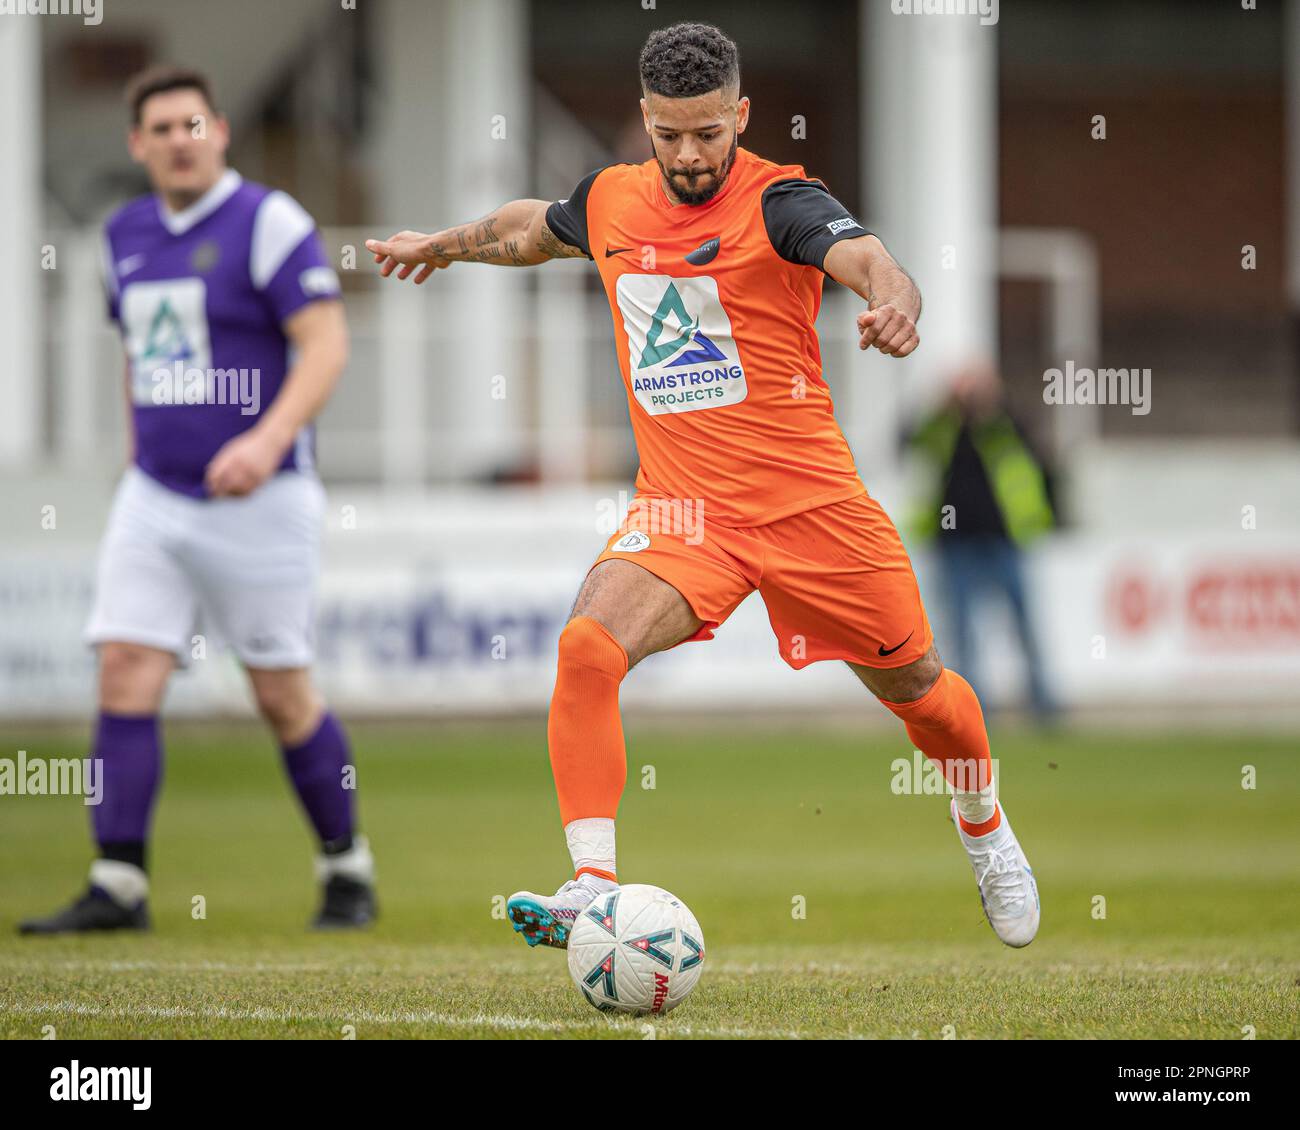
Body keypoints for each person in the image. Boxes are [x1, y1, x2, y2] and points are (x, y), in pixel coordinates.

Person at [367, 23, 1038, 948]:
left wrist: (895, 303)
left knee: (920, 689)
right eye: (670, 134)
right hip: (687, 516)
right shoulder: (610, 200)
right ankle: (591, 885)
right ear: (645, 118)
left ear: (741, 116)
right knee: (587, 646)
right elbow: (532, 228)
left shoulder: (783, 203)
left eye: (709, 134)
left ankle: (986, 829)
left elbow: (870, 259)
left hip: (815, 510)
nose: (688, 155)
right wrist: (445, 244)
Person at [20, 65, 376, 935]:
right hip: (156, 497)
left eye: (192, 124)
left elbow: (325, 346)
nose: (179, 140)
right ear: (138, 144)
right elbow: (139, 357)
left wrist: (265, 439)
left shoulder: (269, 221)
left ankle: (347, 868)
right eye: (160, 129)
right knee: (124, 670)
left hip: (264, 500)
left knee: (281, 694)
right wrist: (139, 454)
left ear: (218, 130)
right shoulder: (122, 235)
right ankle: (120, 884)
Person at [908, 360, 1059, 721]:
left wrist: (990, 407)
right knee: (961, 632)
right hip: (955, 544)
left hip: (1004, 540)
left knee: (1024, 625)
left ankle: (1043, 702)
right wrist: (945, 404)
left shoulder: (1003, 425)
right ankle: (974, 708)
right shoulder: (945, 427)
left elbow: (1039, 458)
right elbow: (909, 438)